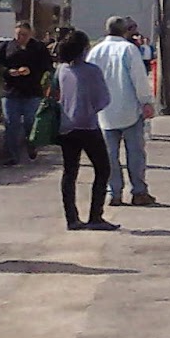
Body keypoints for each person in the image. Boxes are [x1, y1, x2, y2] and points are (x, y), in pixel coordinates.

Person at [49, 30, 119, 231]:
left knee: (70, 172)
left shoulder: (61, 70)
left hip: (66, 127)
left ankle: (72, 218)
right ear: (83, 49)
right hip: (88, 126)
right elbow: (103, 100)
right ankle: (95, 216)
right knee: (103, 168)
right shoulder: (92, 71)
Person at [88, 16, 157, 206]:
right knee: (135, 154)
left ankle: (114, 193)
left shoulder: (95, 51)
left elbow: (89, 80)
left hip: (104, 113)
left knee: (110, 156)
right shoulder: (129, 49)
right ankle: (139, 192)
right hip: (129, 110)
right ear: (125, 31)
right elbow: (139, 79)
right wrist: (146, 102)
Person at [0, 21, 53, 166]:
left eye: (24, 34)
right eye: (18, 34)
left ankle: (31, 145)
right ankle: (12, 156)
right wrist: (8, 72)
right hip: (11, 92)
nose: (21, 37)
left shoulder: (38, 47)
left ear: (30, 34)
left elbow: (47, 65)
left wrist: (32, 71)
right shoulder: (6, 47)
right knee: (11, 124)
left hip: (32, 92)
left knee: (31, 122)